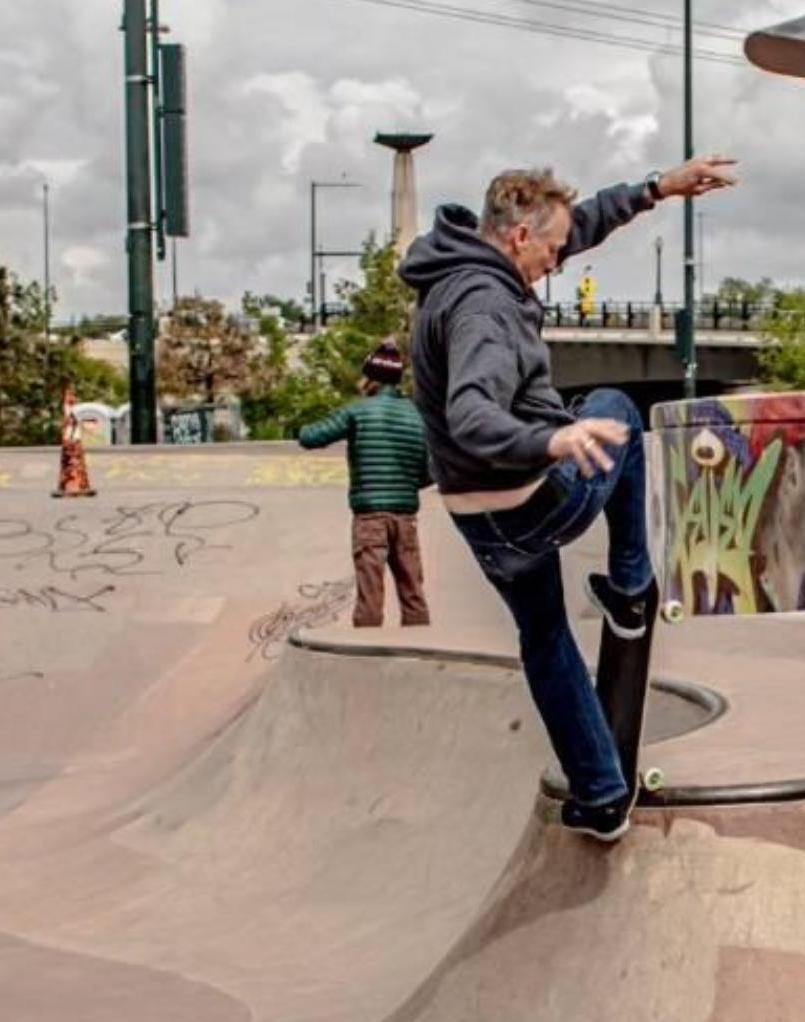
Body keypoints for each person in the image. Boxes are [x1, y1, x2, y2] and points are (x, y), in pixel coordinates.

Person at [400, 157, 736, 841]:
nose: (557, 262)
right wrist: (550, 442)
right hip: (533, 494)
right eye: (551, 250)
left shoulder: (464, 266)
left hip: (481, 524)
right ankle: (633, 585)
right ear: (519, 236)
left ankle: (601, 794)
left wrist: (655, 189)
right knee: (618, 410)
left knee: (545, 637)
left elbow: (578, 224)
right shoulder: (485, 305)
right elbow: (470, 412)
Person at [297, 341, 433, 629]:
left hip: (370, 516)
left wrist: (303, 427)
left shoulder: (358, 411)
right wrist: (405, 484)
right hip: (406, 517)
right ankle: (419, 646)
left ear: (373, 378)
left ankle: (366, 654)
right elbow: (431, 471)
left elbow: (311, 437)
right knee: (412, 591)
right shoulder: (417, 416)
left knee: (371, 592)